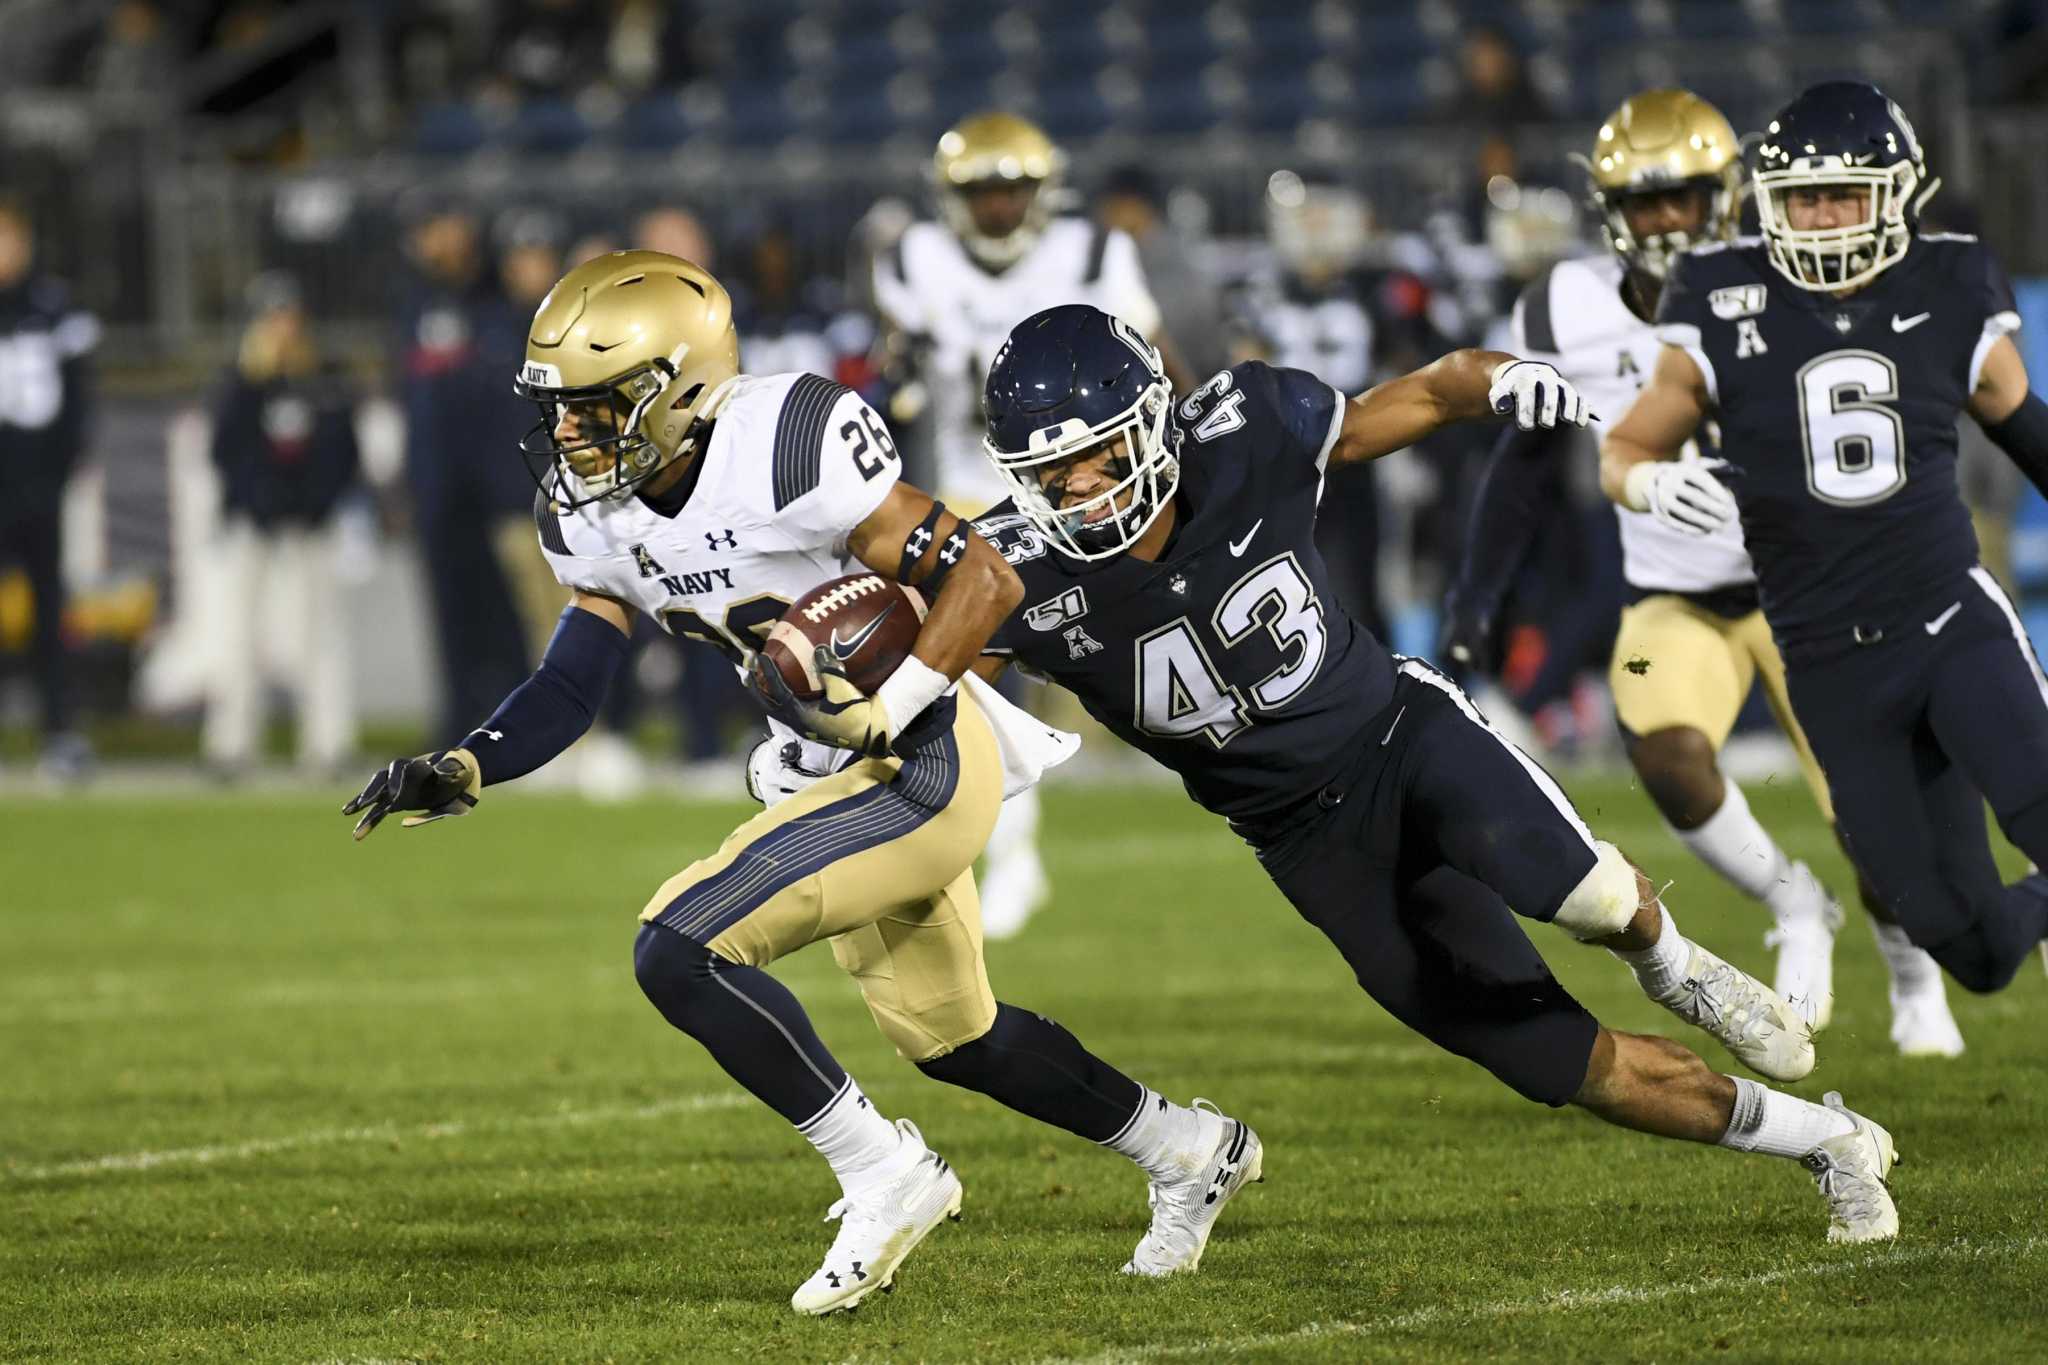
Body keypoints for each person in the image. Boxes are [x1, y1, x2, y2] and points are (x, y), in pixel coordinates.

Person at [342, 252, 1261, 1314]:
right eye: (560, 411)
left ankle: (885, 1175)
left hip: (921, 752)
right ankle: (1190, 1150)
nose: (570, 436)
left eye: (597, 409)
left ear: (680, 387)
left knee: (679, 945)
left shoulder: (782, 442)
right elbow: (574, 674)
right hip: (832, 765)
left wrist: (895, 705)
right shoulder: (591, 513)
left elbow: (984, 575)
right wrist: (467, 762)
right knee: (957, 1039)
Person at [973, 303, 1897, 1245]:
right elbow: (935, 686)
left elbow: (1421, 392)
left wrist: (1501, 381)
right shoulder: (1008, 572)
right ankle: (1829, 1140)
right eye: (1052, 472)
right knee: (1557, 1062)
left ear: (1157, 424)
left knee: (1588, 895)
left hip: (1397, 737)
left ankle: (1675, 966)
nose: (1080, 488)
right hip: (1305, 843)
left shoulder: (1245, 425)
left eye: (1101, 455)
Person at [1441, 89, 1962, 1056]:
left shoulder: (1796, 280)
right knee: (1664, 753)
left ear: (1724, 193)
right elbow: (1519, 466)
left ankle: (1909, 969)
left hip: (1816, 596)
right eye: (1647, 204)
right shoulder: (1562, 306)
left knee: (1872, 821)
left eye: (1684, 197)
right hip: (1673, 598)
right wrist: (1475, 605)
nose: (1668, 221)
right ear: (1611, 212)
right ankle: (1792, 900)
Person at [1601, 81, 2048, 999]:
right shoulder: (1717, 298)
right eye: (1806, 197)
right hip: (1830, 666)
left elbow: (2022, 422)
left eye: (1846, 193)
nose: (1826, 216)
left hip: (1950, 622)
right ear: (1769, 202)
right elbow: (1623, 448)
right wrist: (1649, 480)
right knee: (1972, 949)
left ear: (1898, 194)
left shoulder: (1951, 281)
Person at [871, 111, 1183, 940]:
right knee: (965, 681)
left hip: (1090, 495)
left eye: (1013, 189)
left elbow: (1153, 365)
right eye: (983, 191)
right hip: (969, 498)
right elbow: (896, 371)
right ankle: (1004, 851)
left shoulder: (1092, 253)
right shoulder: (917, 259)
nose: (1000, 207)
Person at [202, 273, 362, 773]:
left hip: (311, 525)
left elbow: (344, 452)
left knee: (322, 633)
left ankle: (328, 743)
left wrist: (317, 503)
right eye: (272, 318)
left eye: (289, 316)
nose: (282, 328)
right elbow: (224, 451)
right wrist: (257, 502)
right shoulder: (239, 383)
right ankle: (232, 744)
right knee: (239, 633)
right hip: (254, 524)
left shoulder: (325, 380)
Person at [0, 194, 98, 780]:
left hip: (39, 487)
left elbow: (78, 400)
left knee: (49, 613)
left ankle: (59, 733)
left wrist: (60, 470)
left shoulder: (55, 307)